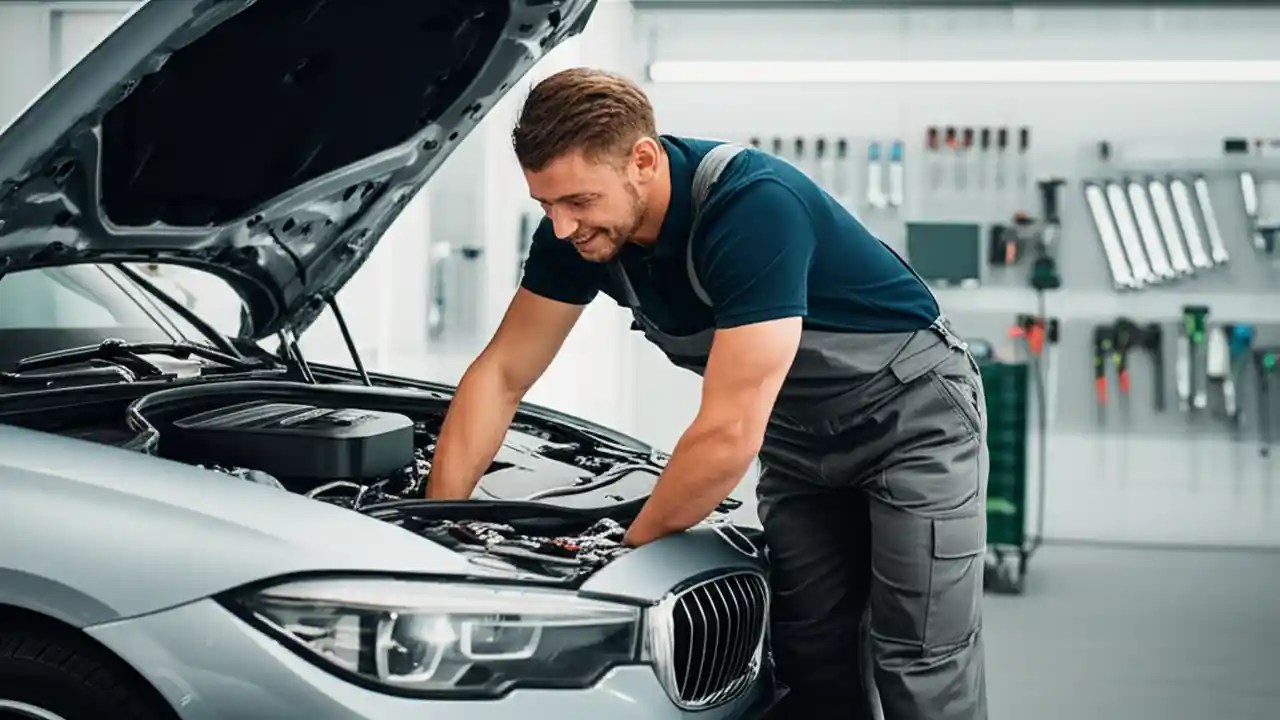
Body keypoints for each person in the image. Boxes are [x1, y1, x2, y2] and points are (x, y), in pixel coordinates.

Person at [425, 67, 989, 720]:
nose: (561, 226)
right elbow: (501, 374)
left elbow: (726, 434)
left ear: (642, 160)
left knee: (917, 654)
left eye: (578, 200)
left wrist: (626, 551)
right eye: (546, 205)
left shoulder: (751, 209)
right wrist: (440, 527)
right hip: (800, 439)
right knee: (809, 652)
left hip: (912, 422)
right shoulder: (577, 240)